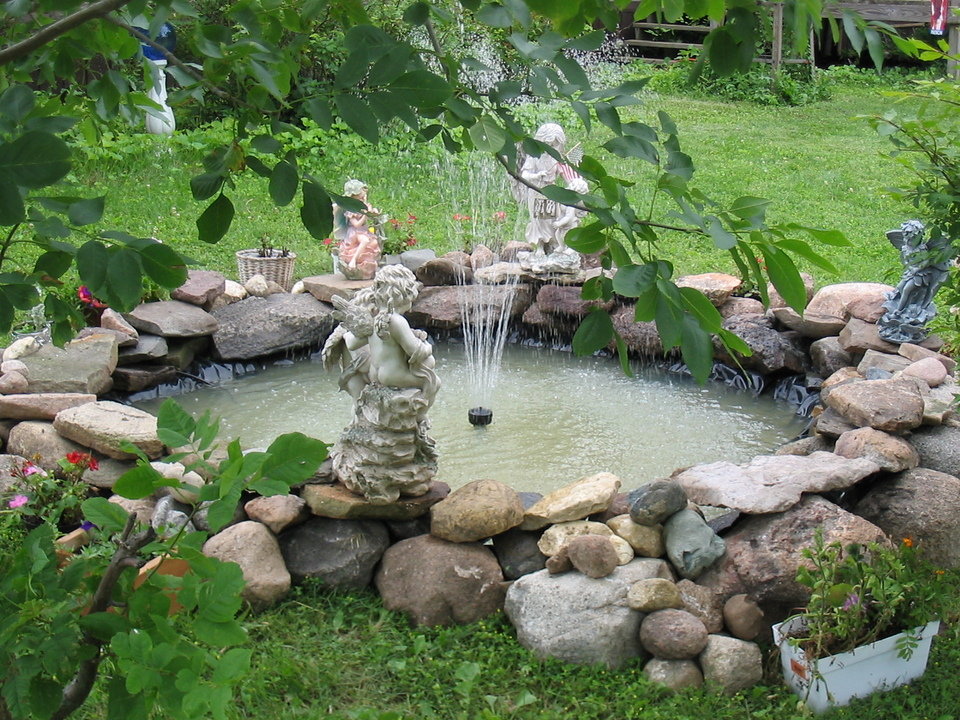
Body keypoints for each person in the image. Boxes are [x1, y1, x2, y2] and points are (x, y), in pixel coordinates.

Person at [330, 265, 439, 406]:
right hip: (394, 375)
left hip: (375, 374)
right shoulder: (397, 321)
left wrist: (345, 333)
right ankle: (420, 417)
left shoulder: (374, 321)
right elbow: (414, 350)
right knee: (433, 382)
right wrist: (427, 346)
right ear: (405, 295)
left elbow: (352, 344)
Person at [333, 179, 382, 280]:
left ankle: (368, 268)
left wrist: (374, 212)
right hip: (354, 232)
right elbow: (357, 224)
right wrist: (365, 214)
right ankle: (353, 261)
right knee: (365, 241)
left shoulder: (364, 206)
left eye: (363, 197)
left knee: (373, 242)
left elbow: (373, 214)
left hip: (364, 231)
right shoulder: (351, 209)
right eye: (360, 198)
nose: (363, 199)